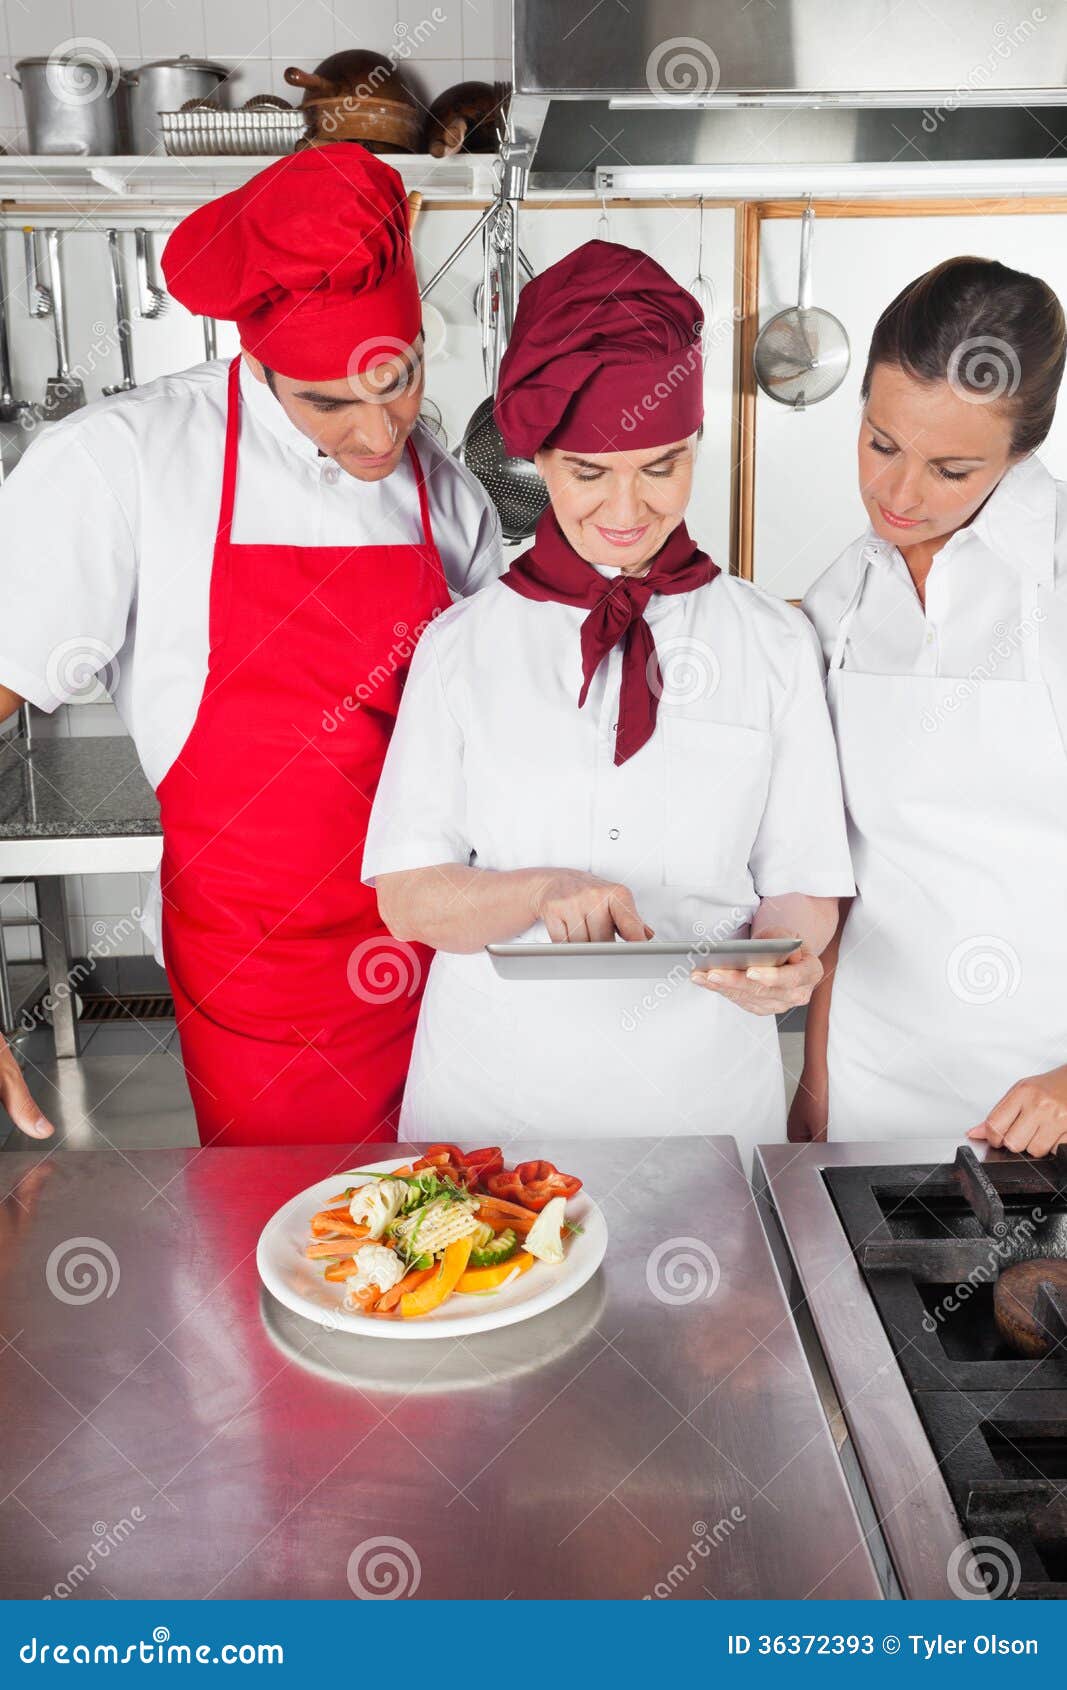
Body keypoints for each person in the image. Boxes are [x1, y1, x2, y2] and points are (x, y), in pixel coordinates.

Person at [0, 144, 501, 1146]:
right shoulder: (125, 461)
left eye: (398, 381)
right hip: (263, 972)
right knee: (293, 1226)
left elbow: (501, 729)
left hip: (453, 950)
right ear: (258, 360)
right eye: (329, 403)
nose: (378, 436)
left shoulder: (447, 493)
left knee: (480, 1217)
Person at [361, 240, 854, 1166]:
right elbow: (410, 899)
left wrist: (789, 959)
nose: (626, 510)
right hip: (494, 1104)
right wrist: (538, 892)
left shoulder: (773, 642)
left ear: (696, 447)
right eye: (588, 472)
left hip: (707, 1103)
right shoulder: (460, 646)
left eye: (661, 466)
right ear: (539, 460)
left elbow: (801, 879)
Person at [794, 256, 1067, 1156]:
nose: (898, 495)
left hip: (1043, 1097)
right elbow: (836, 869)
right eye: (880, 445)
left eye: (950, 469)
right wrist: (817, 1082)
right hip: (871, 1095)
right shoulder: (840, 597)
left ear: (1020, 452)